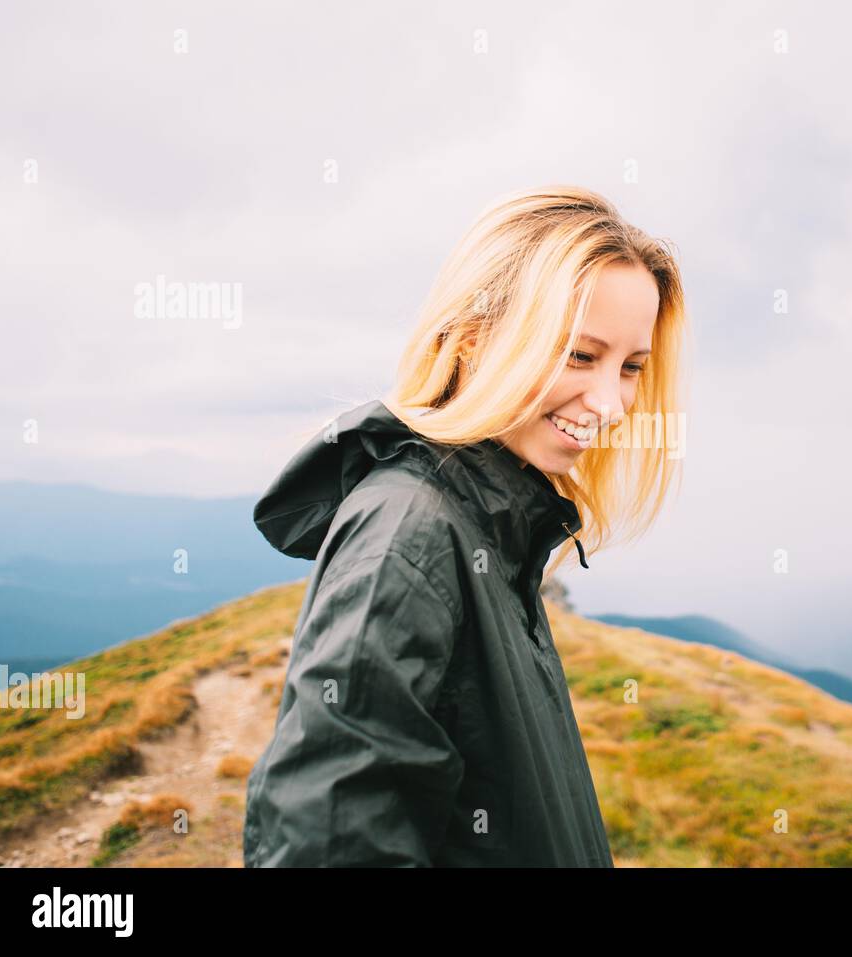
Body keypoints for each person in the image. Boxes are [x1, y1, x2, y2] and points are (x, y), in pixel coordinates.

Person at [242, 185, 688, 866]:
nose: (610, 402)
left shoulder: (496, 519)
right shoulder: (411, 532)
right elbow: (326, 839)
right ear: (476, 339)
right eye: (578, 354)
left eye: (630, 368)